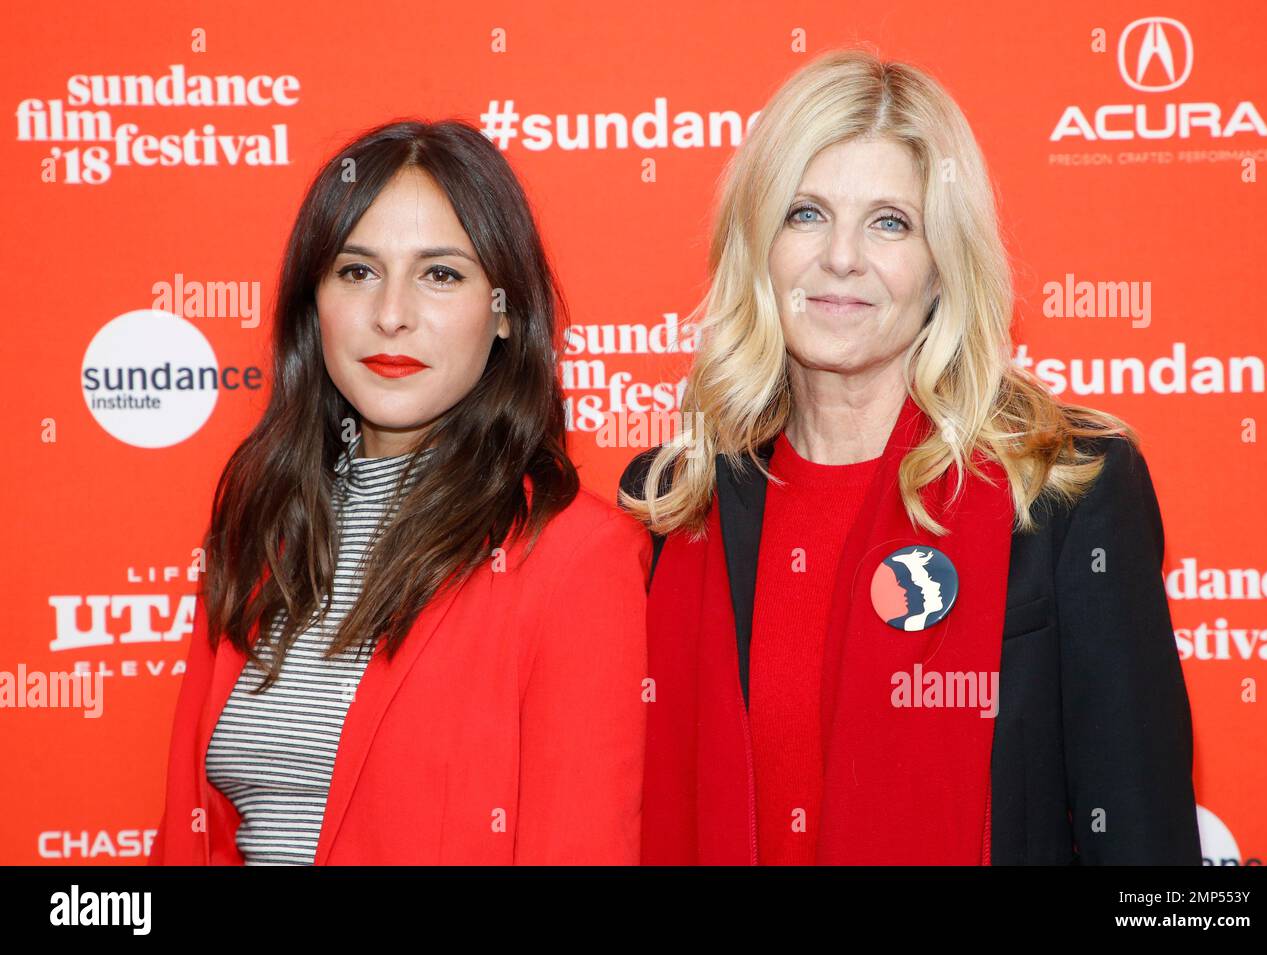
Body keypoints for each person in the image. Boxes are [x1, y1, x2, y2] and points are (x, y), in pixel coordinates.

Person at [619, 49, 1199, 865]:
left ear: (941, 267)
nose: (842, 258)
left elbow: (1148, 847)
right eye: (805, 213)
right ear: (757, 245)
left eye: (890, 222)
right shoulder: (674, 503)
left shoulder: (1066, 488)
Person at [152, 120, 649, 865]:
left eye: (440, 274)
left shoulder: (575, 555)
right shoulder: (261, 531)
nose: (391, 314)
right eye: (357, 271)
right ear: (311, 302)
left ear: (505, 309)